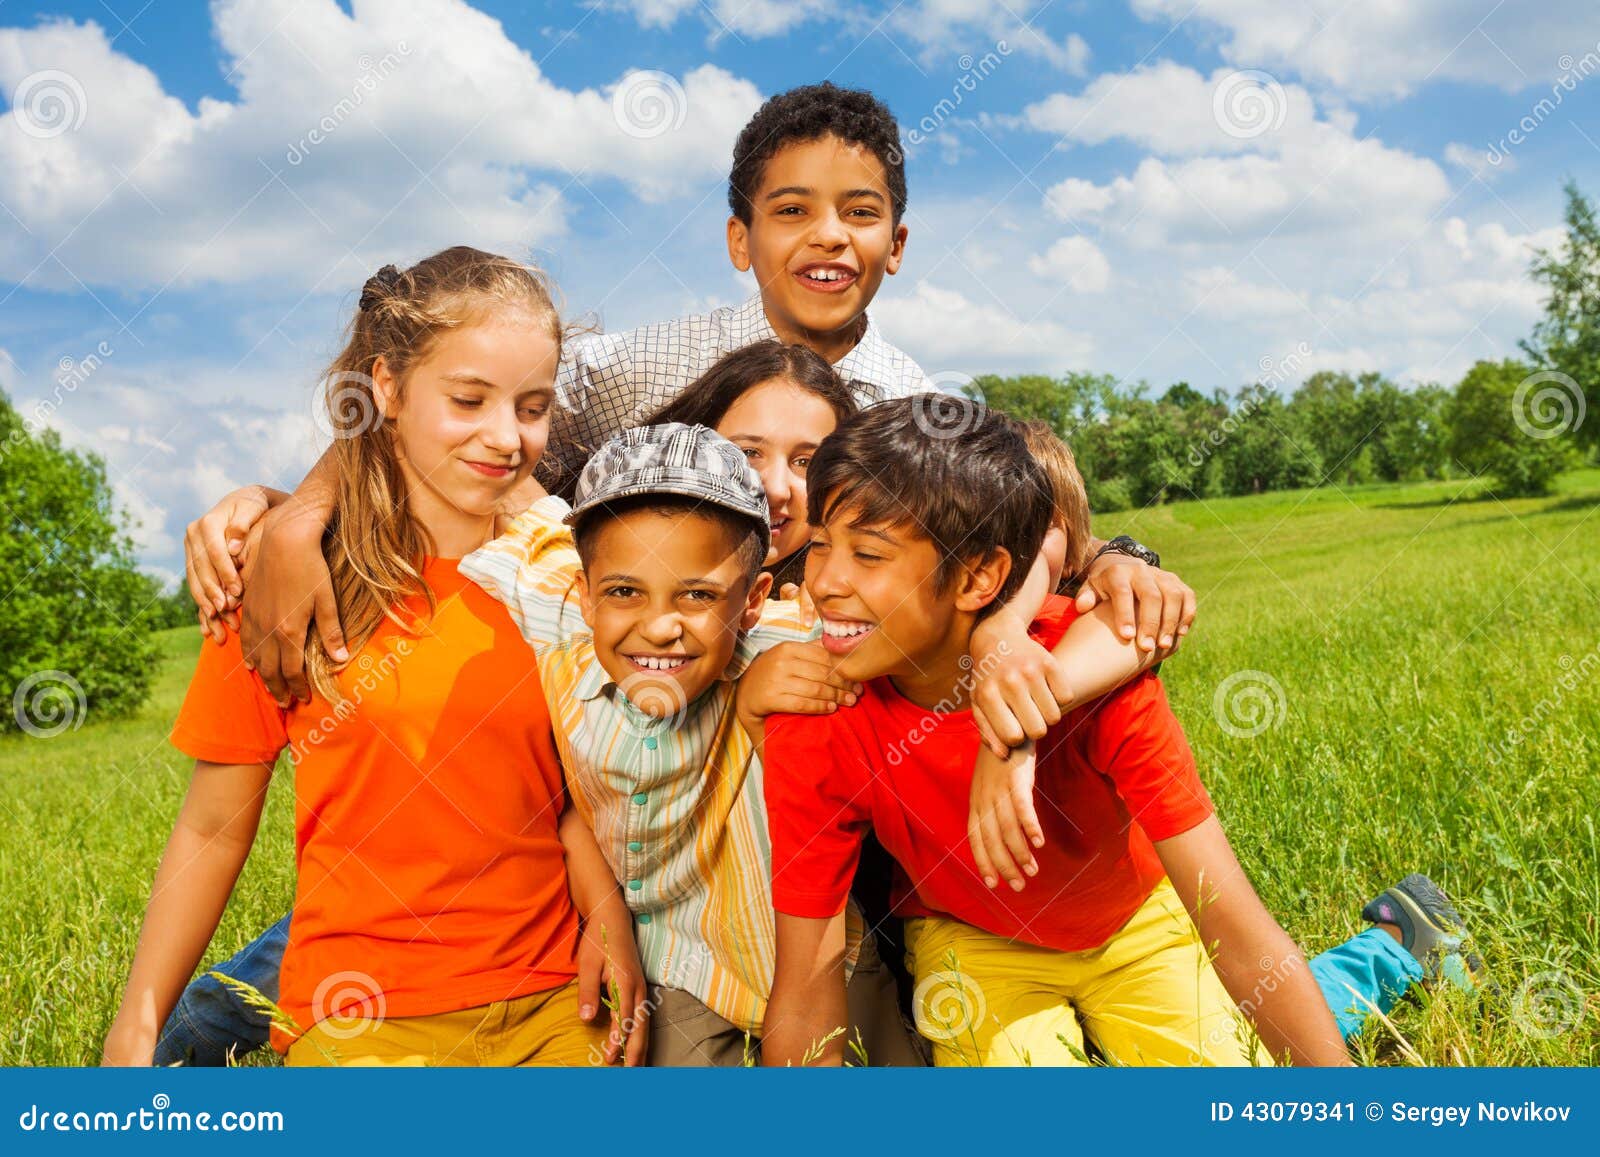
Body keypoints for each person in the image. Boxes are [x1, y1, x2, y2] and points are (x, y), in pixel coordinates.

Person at [186, 82, 1193, 710]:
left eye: (859, 213)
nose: (828, 235)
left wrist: (1119, 558)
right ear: (739, 240)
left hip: (798, 696)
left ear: (896, 244)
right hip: (608, 695)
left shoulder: (911, 403)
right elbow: (456, 406)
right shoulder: (651, 362)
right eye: (790, 210)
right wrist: (300, 510)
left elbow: (1018, 523)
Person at [104, 248, 648, 1068]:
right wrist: (137, 1020)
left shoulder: (563, 581)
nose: (507, 437)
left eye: (532, 407)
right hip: (359, 1008)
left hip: (552, 1000)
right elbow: (212, 827)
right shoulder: (279, 591)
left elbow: (575, 794)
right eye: (469, 399)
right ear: (387, 388)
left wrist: (607, 919)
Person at [759, 398, 1370, 1066]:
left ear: (979, 577)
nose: (825, 582)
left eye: (869, 554)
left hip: (1135, 924)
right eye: (821, 544)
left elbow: (1238, 929)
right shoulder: (817, 718)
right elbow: (805, 987)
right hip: (973, 940)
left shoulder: (1105, 681)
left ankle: (1386, 949)